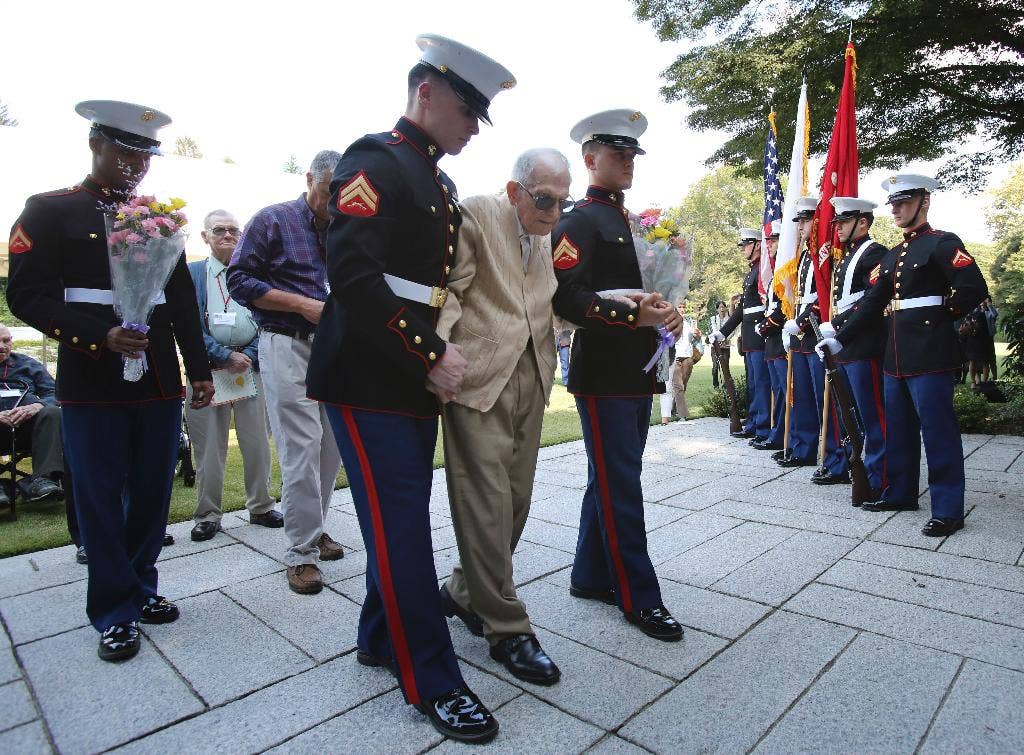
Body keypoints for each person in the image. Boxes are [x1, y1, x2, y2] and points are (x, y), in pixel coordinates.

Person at [306, 34, 515, 743]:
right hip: (367, 376)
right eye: (465, 110)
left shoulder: (440, 181)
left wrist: (436, 349)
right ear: (425, 92)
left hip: (406, 372)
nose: (471, 127)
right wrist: (429, 349)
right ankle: (433, 678)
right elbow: (353, 276)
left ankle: (376, 635)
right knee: (402, 529)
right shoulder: (375, 161)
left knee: (399, 519)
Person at [6, 100, 214, 662]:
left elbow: (179, 304)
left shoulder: (159, 218)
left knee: (152, 492)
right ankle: (113, 610)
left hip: (157, 380)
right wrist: (99, 338)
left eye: (145, 155)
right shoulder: (52, 211)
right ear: (95, 144)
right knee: (99, 496)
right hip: (91, 377)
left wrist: (198, 369)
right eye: (126, 151)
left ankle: (142, 587)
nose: (136, 164)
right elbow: (25, 294)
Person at [435, 148, 568, 686]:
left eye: (563, 201)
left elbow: (548, 302)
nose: (555, 213)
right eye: (544, 199)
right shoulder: (477, 214)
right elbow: (450, 290)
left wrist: (629, 305)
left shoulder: (542, 233)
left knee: (516, 501)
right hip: (478, 377)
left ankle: (465, 592)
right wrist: (437, 352)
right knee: (484, 503)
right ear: (514, 190)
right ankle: (507, 627)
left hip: (532, 377)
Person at [551, 109, 685, 642]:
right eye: (616, 153)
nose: (627, 161)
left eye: (632, 153)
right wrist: (633, 315)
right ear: (590, 159)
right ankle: (639, 595)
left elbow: (652, 289)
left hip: (637, 369)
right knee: (621, 483)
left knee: (608, 478)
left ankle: (589, 575)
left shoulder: (636, 225)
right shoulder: (577, 221)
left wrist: (668, 311)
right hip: (603, 371)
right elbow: (564, 296)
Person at [817, 174, 988, 536]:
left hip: (930, 354)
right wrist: (840, 338)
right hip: (895, 355)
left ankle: (948, 508)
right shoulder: (894, 254)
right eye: (892, 203)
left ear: (924, 202)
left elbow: (972, 287)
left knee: (938, 431)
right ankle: (900, 492)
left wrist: (939, 321)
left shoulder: (943, 244)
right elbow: (873, 303)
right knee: (898, 430)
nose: (895, 208)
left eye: (903, 201)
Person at [228, 151, 345, 594]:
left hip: (336, 350)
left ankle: (315, 529)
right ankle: (300, 553)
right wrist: (299, 303)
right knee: (301, 445)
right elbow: (239, 281)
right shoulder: (273, 220)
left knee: (331, 447)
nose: (336, 200)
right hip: (286, 341)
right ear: (311, 177)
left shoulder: (348, 228)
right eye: (330, 188)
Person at [186, 210, 281, 541]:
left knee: (256, 442)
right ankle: (208, 514)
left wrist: (248, 356)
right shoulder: (192, 273)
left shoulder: (255, 273)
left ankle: (261, 506)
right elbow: (187, 326)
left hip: (250, 371)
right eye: (219, 230)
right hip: (207, 374)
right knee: (209, 447)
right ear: (205, 237)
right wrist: (224, 355)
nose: (227, 235)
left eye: (233, 230)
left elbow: (269, 317)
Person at [814, 196, 889, 497]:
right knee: (850, 413)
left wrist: (839, 326)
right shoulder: (848, 255)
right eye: (837, 223)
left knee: (873, 416)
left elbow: (870, 303)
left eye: (843, 222)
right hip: (847, 342)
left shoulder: (874, 253)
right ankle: (863, 469)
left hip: (863, 343)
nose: (838, 228)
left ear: (863, 222)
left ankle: (880, 477)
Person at [774, 196, 824, 469]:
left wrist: (802, 321)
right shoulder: (804, 256)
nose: (801, 226)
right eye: (800, 221)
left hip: (815, 332)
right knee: (801, 396)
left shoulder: (823, 254)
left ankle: (833, 455)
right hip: (799, 333)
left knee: (822, 400)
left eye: (806, 220)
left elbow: (824, 297)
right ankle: (803, 448)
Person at [710, 228, 770, 442]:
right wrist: (721, 332)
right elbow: (741, 310)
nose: (743, 249)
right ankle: (754, 423)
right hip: (749, 337)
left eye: (746, 244)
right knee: (753, 383)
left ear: (757, 245)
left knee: (762, 383)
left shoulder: (763, 270)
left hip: (759, 334)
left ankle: (763, 427)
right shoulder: (752, 271)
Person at [0, 324, 64, 507]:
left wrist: (38, 405)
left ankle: (43, 480)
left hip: (28, 431)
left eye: (6, 340)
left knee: (52, 412)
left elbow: (55, 393)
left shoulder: (27, 364)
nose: (2, 346)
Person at [755, 221, 787, 451]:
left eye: (774, 240)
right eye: (769, 240)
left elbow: (785, 306)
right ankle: (779, 436)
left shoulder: (787, 266)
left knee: (788, 393)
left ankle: (786, 437)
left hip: (782, 336)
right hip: (772, 341)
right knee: (778, 390)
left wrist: (767, 325)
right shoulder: (776, 270)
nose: (770, 245)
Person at [670, 300, 702, 421]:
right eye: (679, 307)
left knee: (683, 386)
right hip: (675, 357)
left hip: (688, 358)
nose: (682, 309)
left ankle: (673, 409)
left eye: (683, 307)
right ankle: (682, 414)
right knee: (679, 386)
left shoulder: (689, 321)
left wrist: (698, 335)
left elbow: (694, 339)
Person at [709, 300, 731, 389]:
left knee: (725, 366)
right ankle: (715, 385)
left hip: (725, 346)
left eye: (723, 307)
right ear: (717, 309)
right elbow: (714, 330)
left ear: (725, 308)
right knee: (715, 367)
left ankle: (726, 385)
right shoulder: (713, 319)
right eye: (720, 307)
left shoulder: (729, 318)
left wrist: (725, 339)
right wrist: (719, 339)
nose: (722, 309)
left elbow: (732, 331)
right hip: (715, 346)